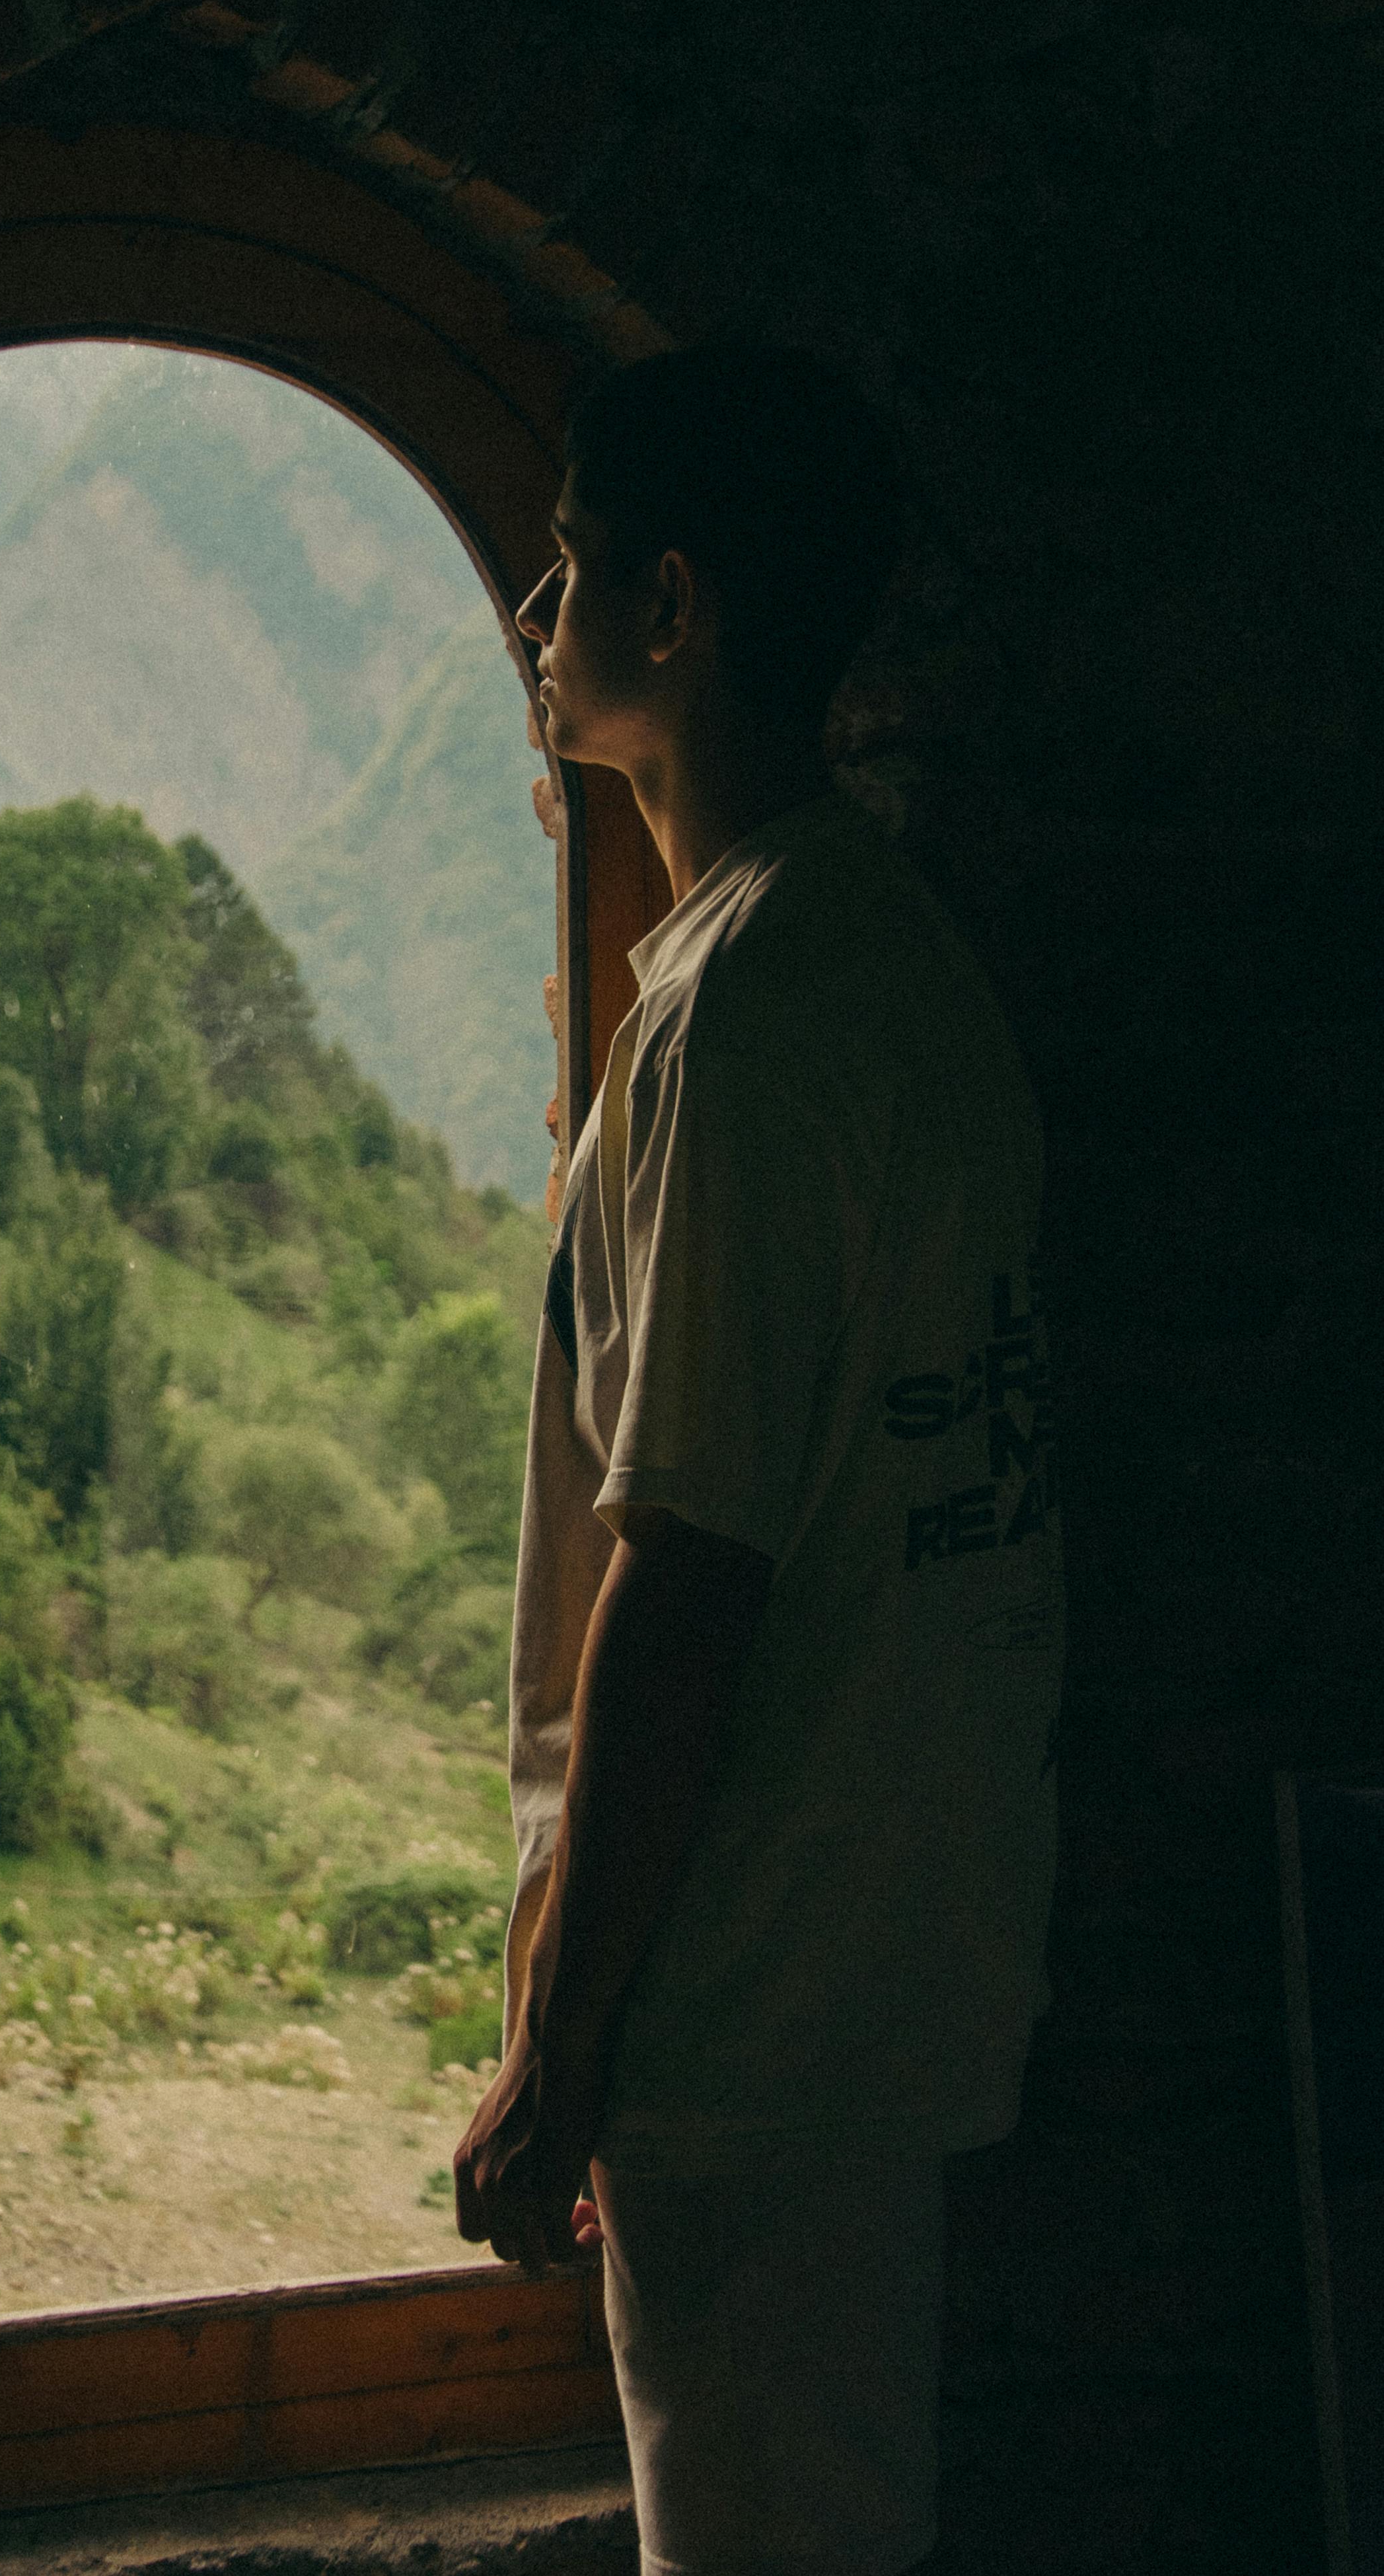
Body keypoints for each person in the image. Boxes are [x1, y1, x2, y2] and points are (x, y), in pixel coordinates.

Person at [453, 344, 1064, 2576]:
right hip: (885, 1936)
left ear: (677, 606)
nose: (539, 609)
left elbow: (689, 1573)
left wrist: (566, 2035)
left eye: (575, 560)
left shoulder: (741, 1015)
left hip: (762, 1983)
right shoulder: (887, 955)